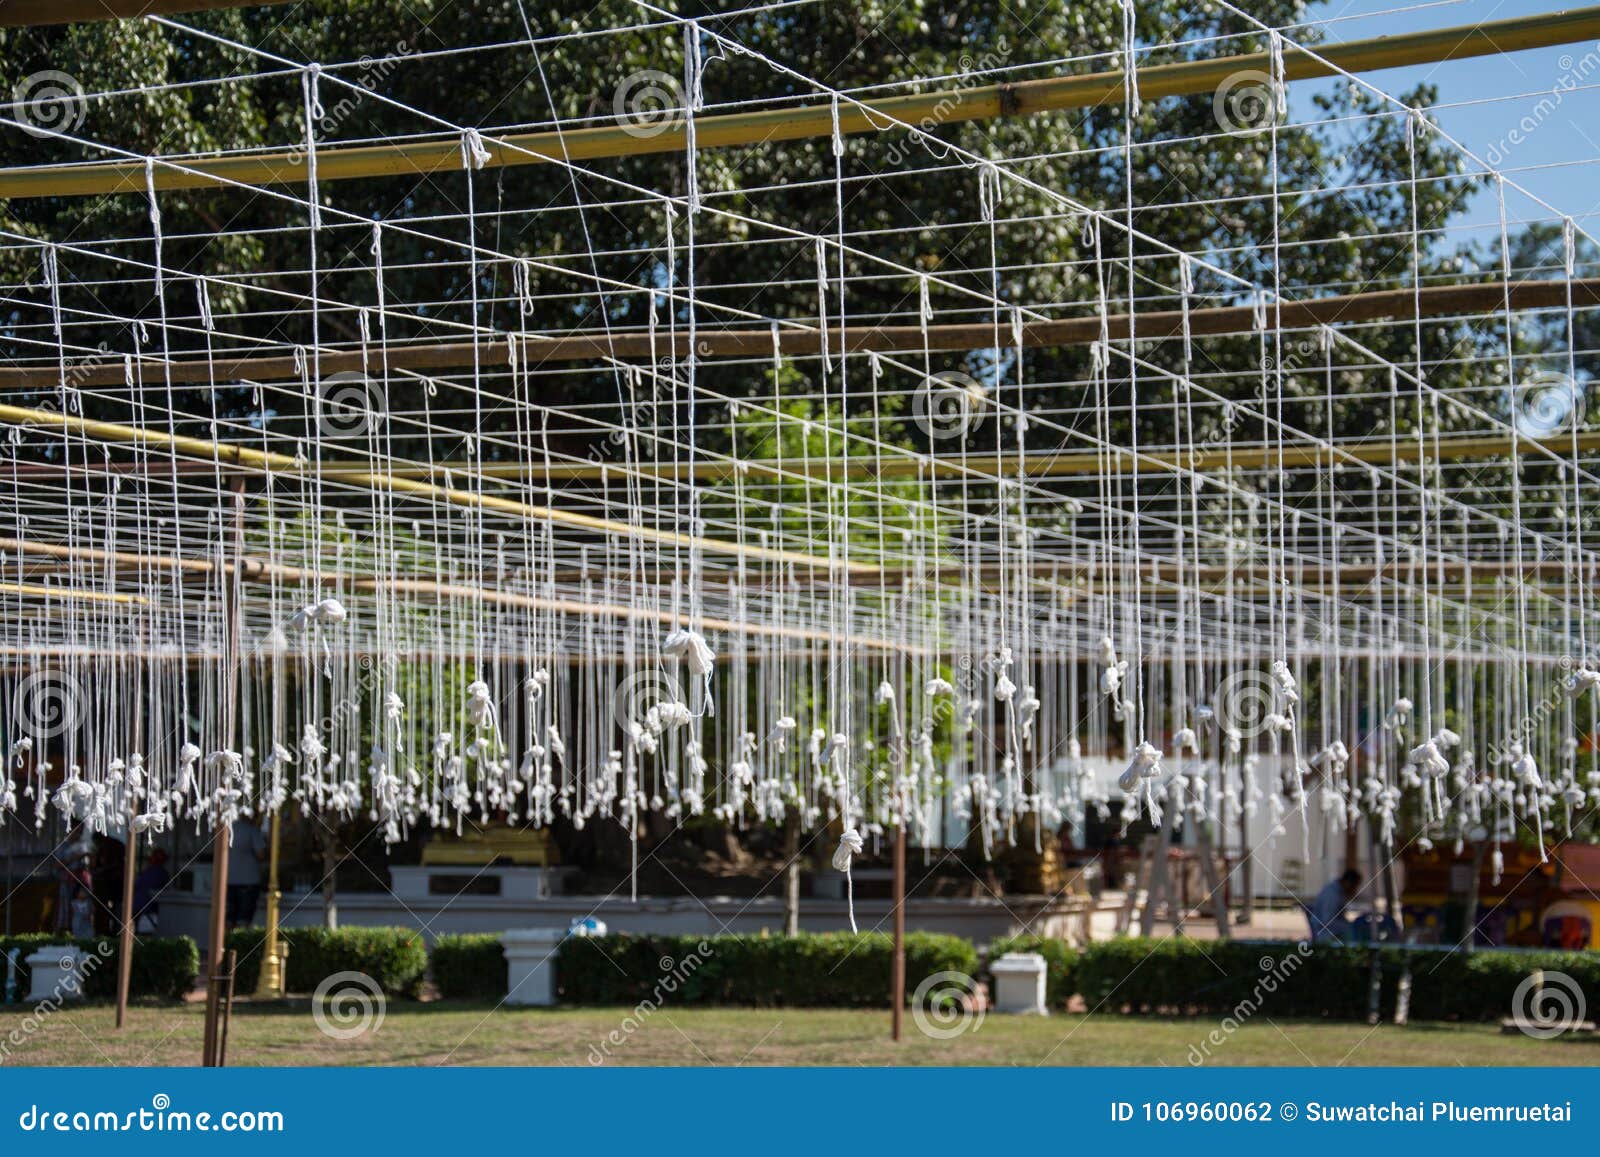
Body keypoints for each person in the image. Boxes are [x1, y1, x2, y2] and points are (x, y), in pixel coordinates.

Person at [225, 818, 268, 927]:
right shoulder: (252, 830)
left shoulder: (226, 829)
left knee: (229, 918)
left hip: (229, 878)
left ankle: (227, 941)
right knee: (244, 919)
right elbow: (260, 854)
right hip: (249, 879)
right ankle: (240, 941)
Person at [1309, 868, 1362, 942]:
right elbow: (1327, 921)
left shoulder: (1339, 892)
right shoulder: (1332, 895)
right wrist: (1349, 926)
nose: (1355, 890)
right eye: (1355, 887)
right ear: (1348, 883)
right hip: (1325, 935)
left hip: (1332, 933)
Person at [132, 849, 170, 933]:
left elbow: (136, 884)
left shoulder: (151, 872)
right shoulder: (162, 873)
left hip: (143, 902)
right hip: (147, 902)